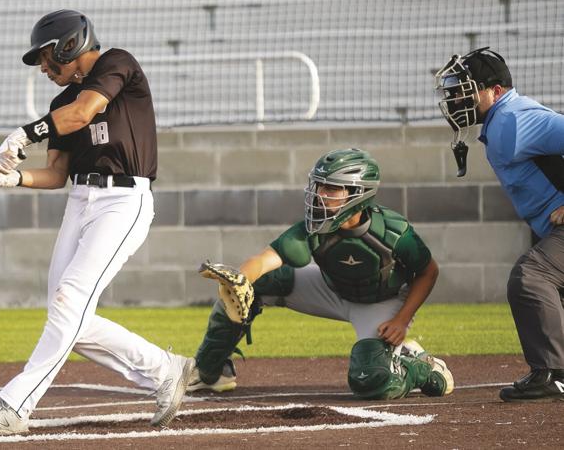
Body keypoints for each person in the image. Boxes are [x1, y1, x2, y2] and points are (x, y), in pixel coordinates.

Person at [0, 10, 195, 435]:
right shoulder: (59, 105)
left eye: (47, 59)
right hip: (80, 201)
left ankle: (14, 406)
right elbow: (55, 174)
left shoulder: (117, 63)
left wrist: (24, 134)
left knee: (69, 303)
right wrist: (11, 179)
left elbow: (85, 112)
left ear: (70, 45)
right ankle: (165, 370)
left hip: (123, 201)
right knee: (68, 316)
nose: (44, 69)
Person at [188, 148, 454, 400]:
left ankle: (419, 365)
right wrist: (241, 278)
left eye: (331, 188)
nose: (320, 194)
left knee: (370, 381)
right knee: (257, 284)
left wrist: (401, 320)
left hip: (383, 302)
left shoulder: (392, 231)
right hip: (332, 289)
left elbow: (428, 272)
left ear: (358, 193)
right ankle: (211, 371)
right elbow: (265, 259)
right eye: (319, 186)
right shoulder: (314, 226)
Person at [434, 47, 564, 402]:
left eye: (464, 90)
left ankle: (555, 374)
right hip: (549, 229)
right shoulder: (503, 120)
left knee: (531, 279)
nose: (455, 99)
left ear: (495, 91)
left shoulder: (513, 119)